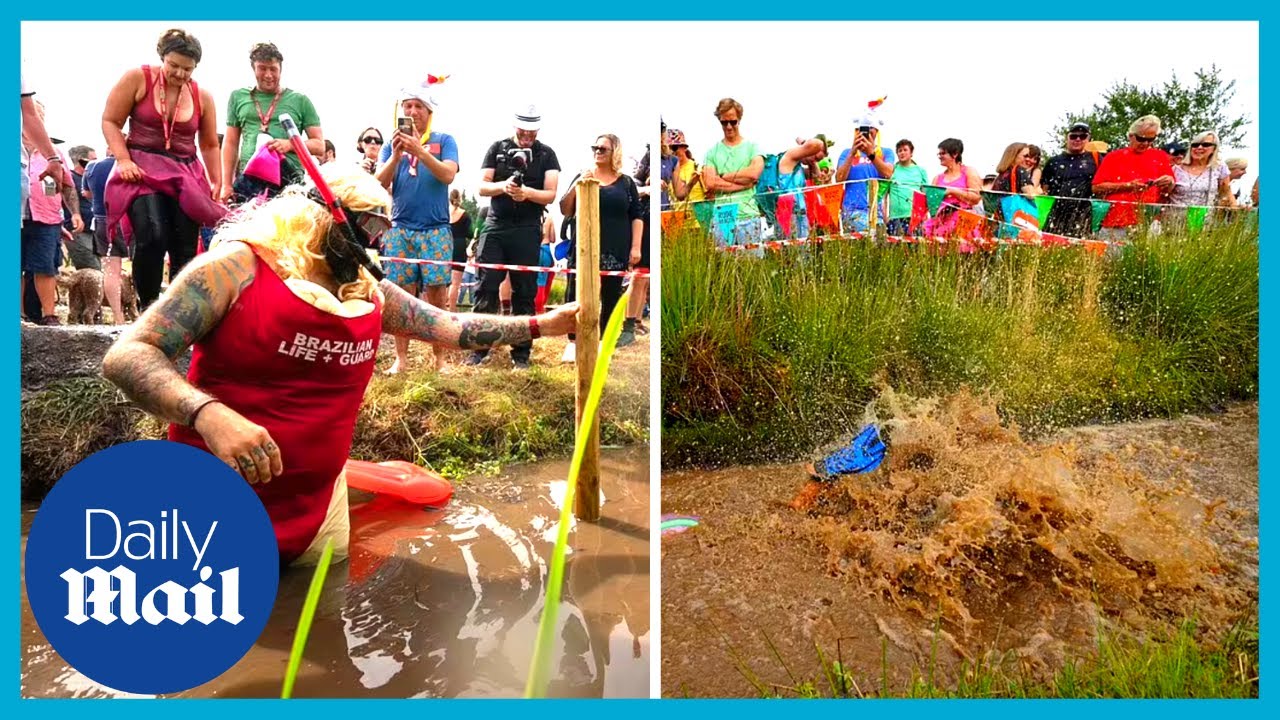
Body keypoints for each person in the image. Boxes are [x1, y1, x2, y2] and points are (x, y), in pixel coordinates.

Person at [102, 167, 579, 566]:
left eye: (382, 229)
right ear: (324, 219)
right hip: (211, 509)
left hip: (318, 514)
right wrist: (208, 414)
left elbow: (450, 327)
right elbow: (128, 354)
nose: (377, 241)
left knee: (324, 639)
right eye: (370, 227)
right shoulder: (236, 269)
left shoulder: (367, 292)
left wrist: (546, 325)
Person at [101, 28, 226, 310]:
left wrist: (217, 181)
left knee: (185, 246)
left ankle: (178, 312)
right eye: (174, 66)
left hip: (185, 173)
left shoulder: (202, 95)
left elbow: (208, 144)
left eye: (188, 69)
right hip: (141, 168)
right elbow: (110, 121)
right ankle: (148, 308)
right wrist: (123, 160)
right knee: (153, 236)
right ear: (162, 58)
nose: (180, 74)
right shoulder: (137, 78)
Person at [466, 104, 561, 370]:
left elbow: (551, 193)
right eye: (523, 129)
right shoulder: (497, 148)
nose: (527, 135)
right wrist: (503, 187)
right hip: (496, 225)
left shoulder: (547, 154)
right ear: (514, 126)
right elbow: (482, 186)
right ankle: (479, 348)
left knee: (525, 292)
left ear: (538, 129)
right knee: (486, 287)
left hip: (528, 228)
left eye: (532, 130)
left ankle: (521, 353)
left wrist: (527, 193)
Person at [376, 82, 458, 374]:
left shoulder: (444, 140)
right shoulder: (390, 144)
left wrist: (420, 152)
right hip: (400, 228)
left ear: (429, 111)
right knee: (401, 296)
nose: (412, 111)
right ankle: (401, 359)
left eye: (418, 106)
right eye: (407, 106)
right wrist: (397, 155)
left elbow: (448, 174)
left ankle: (440, 359)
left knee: (437, 295)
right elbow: (378, 184)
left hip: (435, 229)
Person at [558, 133, 643, 361]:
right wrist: (577, 185)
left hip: (615, 248)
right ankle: (574, 344)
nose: (597, 151)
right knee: (575, 294)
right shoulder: (583, 176)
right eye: (595, 147)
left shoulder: (626, 183)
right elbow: (565, 209)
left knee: (611, 295)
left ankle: (604, 343)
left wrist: (636, 247)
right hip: (583, 248)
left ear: (614, 152)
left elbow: (637, 215)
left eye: (603, 148)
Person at [220, 42, 324, 203]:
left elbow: (319, 146)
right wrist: (226, 184)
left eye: (273, 69)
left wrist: (290, 144)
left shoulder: (300, 100)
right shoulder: (237, 97)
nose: (268, 75)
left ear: (280, 69)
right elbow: (231, 143)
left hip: (289, 183)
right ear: (253, 68)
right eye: (262, 68)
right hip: (249, 181)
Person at [22, 102, 81, 325]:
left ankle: (49, 315)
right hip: (16, 214)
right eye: (33, 114)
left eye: (41, 115)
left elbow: (67, 184)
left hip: (46, 218)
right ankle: (19, 316)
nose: (38, 118)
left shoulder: (53, 153)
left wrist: (74, 213)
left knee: (45, 266)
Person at [1092, 115, 1175, 240]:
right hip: (1115, 222)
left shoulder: (1160, 156)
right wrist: (1128, 186)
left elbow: (1169, 190)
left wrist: (1169, 182)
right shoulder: (1114, 157)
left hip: (1148, 222)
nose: (1146, 143)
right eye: (1141, 139)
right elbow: (1096, 188)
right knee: (1111, 258)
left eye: (1151, 139)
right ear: (1131, 136)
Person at [701, 98, 763, 248]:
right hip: (722, 217)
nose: (729, 126)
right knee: (723, 269)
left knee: (752, 267)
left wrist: (722, 176)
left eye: (733, 122)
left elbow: (754, 174)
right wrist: (744, 185)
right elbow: (709, 183)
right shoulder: (711, 152)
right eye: (724, 122)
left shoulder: (752, 147)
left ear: (739, 120)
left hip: (748, 215)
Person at [82, 150, 130, 324]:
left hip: (102, 221)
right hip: (129, 219)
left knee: (111, 272)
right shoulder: (131, 163)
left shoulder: (92, 166)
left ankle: (118, 318)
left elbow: (86, 193)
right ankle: (142, 311)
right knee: (140, 265)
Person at [834, 102, 894, 233]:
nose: (866, 133)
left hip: (875, 211)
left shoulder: (886, 153)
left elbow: (888, 173)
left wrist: (870, 153)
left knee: (877, 245)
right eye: (862, 130)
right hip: (852, 210)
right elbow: (839, 179)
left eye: (870, 130)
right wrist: (852, 151)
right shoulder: (846, 153)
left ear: (876, 131)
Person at [1040, 122, 1099, 237]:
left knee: (1080, 249)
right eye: (1073, 136)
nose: (1077, 139)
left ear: (1088, 139)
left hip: (1084, 215)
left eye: (1082, 136)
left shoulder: (1096, 159)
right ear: (1067, 138)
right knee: (1052, 247)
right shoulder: (1053, 161)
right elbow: (1044, 189)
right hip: (1055, 214)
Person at [921, 138, 982, 240]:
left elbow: (976, 198)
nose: (940, 156)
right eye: (939, 154)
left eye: (943, 153)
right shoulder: (937, 178)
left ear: (955, 154)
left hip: (963, 223)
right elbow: (931, 204)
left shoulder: (969, 172)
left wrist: (952, 191)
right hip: (941, 224)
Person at [775, 136, 830, 240]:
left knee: (803, 254)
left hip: (800, 214)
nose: (814, 161)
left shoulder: (799, 168)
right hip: (788, 213)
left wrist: (812, 161)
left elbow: (818, 178)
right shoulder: (789, 158)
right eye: (815, 158)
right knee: (790, 253)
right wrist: (805, 145)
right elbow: (816, 143)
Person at [1168, 130, 1235, 210]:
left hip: (1205, 219)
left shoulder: (1219, 167)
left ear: (1214, 149)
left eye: (1206, 145)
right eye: (1195, 145)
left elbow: (1226, 192)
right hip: (1175, 219)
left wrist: (1237, 209)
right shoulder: (1176, 168)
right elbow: (1164, 195)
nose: (1199, 147)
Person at [64, 145, 99, 271]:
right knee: (92, 271)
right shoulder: (69, 179)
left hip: (93, 232)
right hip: (78, 233)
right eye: (93, 159)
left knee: (98, 271)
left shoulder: (89, 179)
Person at [885, 138, 929, 236]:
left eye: (905, 150)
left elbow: (925, 195)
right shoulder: (892, 170)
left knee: (916, 249)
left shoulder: (920, 171)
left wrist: (925, 216)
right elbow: (885, 195)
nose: (902, 153)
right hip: (895, 217)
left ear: (911, 153)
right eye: (899, 151)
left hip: (916, 217)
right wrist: (885, 216)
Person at [447, 189, 472, 313]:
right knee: (455, 283)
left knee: (444, 281)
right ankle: (452, 310)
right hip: (459, 246)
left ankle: (442, 308)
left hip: (445, 245)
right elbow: (470, 233)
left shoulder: (444, 213)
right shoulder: (465, 215)